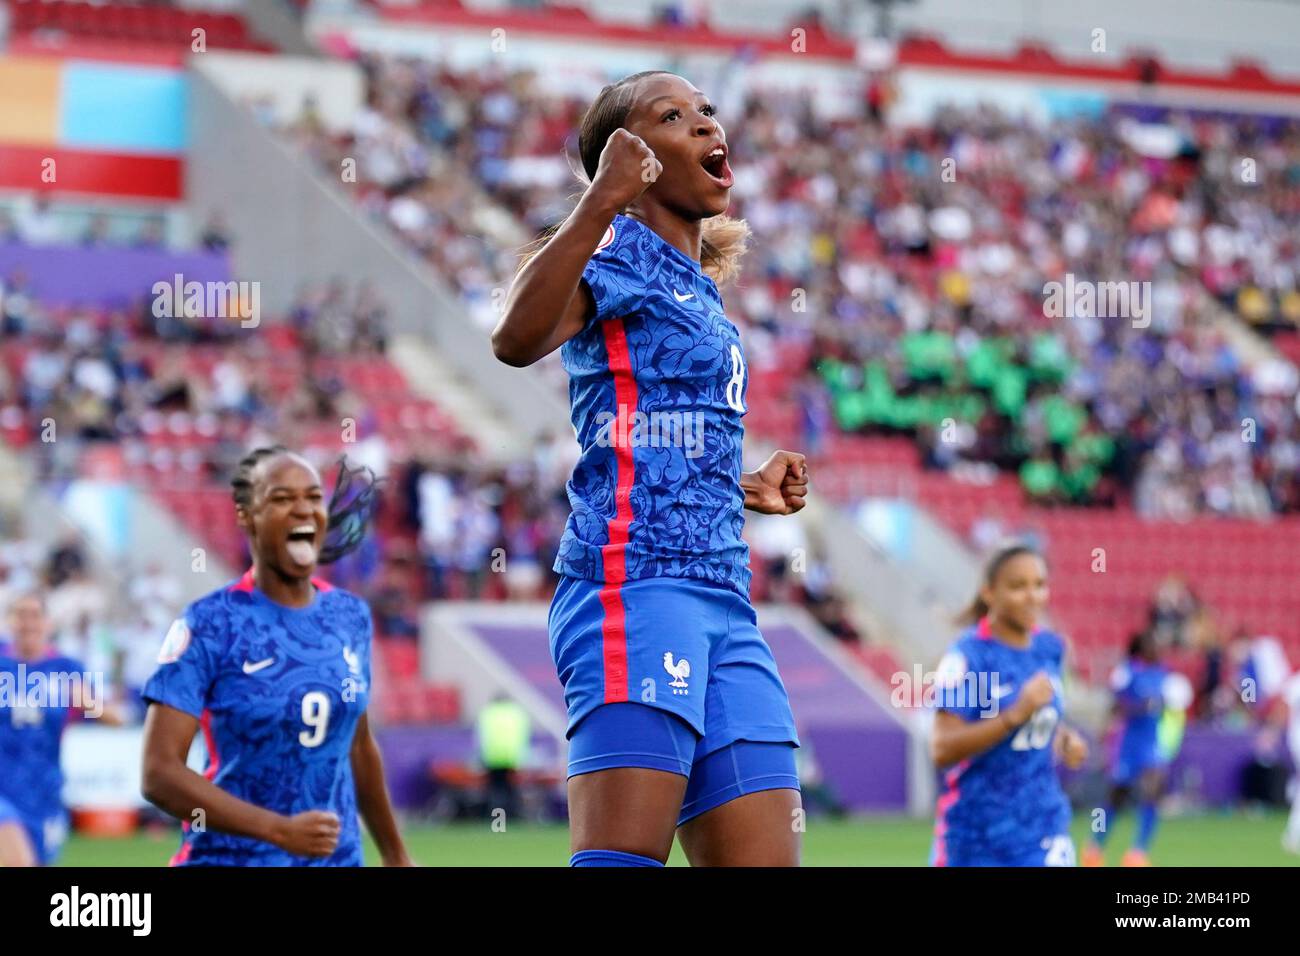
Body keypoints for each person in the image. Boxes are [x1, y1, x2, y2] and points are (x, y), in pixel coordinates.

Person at [492, 71, 806, 867]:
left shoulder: (696, 286)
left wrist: (742, 485)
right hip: (636, 588)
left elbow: (649, 435)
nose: (705, 123)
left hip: (726, 600)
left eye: (706, 110)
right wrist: (601, 200)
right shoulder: (615, 252)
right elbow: (514, 339)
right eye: (674, 115)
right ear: (631, 157)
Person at [140, 447, 411, 866]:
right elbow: (158, 773)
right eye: (282, 498)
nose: (303, 509)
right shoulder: (209, 624)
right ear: (247, 515)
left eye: (313, 497)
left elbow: (358, 746)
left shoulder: (350, 616)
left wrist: (396, 855)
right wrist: (277, 830)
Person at [930, 543, 1089, 866]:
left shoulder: (1050, 648)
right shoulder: (969, 656)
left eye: (1039, 585)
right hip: (976, 836)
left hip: (1043, 828)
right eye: (1018, 586)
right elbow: (942, 748)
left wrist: (1063, 738)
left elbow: (1044, 716)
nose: (1032, 596)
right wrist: (1014, 714)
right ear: (989, 593)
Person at [0, 590, 123, 866]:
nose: (28, 623)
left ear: (48, 623)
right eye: (20, 615)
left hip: (43, 791)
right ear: (9, 621)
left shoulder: (66, 668)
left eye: (35, 615)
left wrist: (88, 705)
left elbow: (116, 719)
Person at [1082, 631, 1171, 867]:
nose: (1157, 649)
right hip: (1128, 744)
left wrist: (1161, 705)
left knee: (1153, 793)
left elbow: (1163, 703)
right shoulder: (1127, 672)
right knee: (1116, 798)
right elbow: (1116, 706)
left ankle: (1138, 852)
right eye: (1152, 644)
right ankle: (1094, 845)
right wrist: (1141, 707)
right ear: (1141, 648)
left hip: (1151, 743)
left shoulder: (1161, 672)